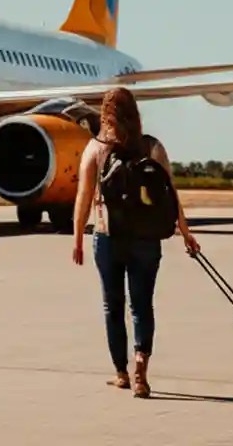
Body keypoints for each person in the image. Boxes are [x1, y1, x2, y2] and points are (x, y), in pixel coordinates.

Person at [71, 87, 200, 398]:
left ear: (105, 113)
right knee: (141, 306)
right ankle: (141, 366)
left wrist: (77, 238)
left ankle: (121, 373)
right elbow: (170, 196)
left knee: (112, 306)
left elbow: (84, 199)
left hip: (107, 236)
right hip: (145, 240)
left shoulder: (95, 149)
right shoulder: (151, 147)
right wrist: (185, 232)